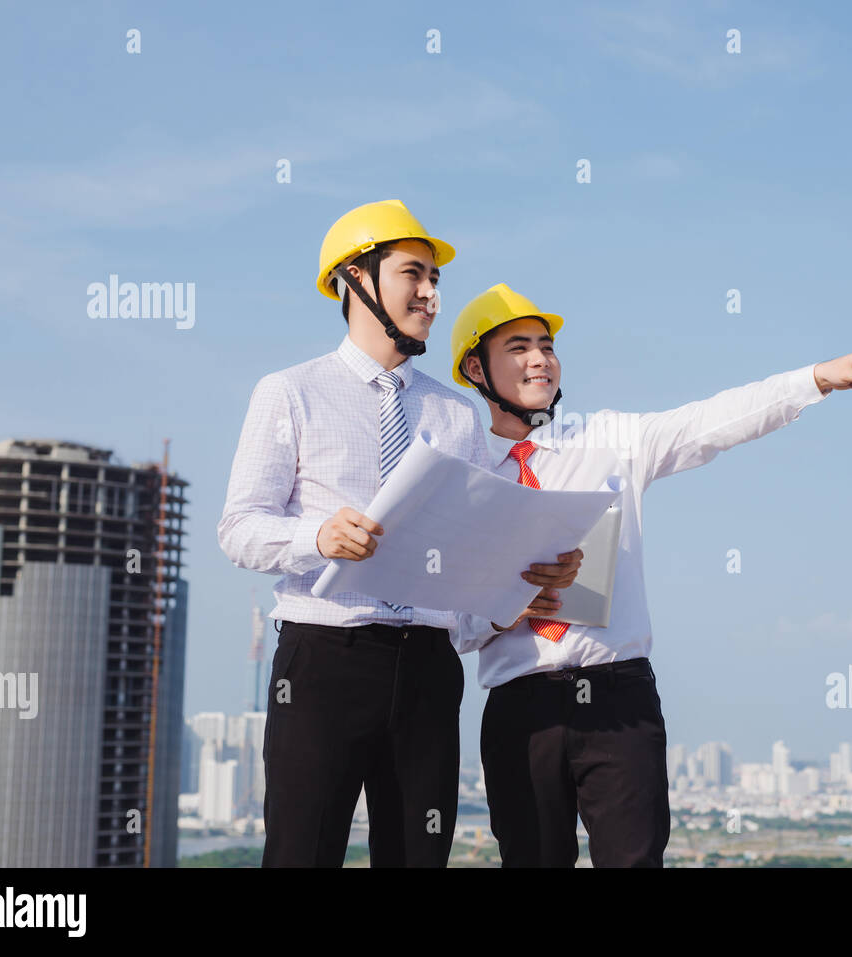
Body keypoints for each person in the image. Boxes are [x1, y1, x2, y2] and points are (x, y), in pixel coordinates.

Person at [449, 282, 852, 866]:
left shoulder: (608, 438)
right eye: (518, 346)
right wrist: (504, 605)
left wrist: (817, 377)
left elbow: (712, 421)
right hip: (520, 709)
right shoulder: (461, 477)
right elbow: (448, 626)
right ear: (475, 368)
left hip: (618, 701)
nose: (540, 357)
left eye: (546, 344)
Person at [217, 205, 580, 867]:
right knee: (301, 854)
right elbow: (239, 528)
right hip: (323, 660)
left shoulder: (456, 413)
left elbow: (474, 559)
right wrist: (317, 537)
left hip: (428, 670)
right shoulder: (289, 392)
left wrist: (513, 594)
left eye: (435, 278)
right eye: (414, 273)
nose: (431, 294)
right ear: (354, 278)